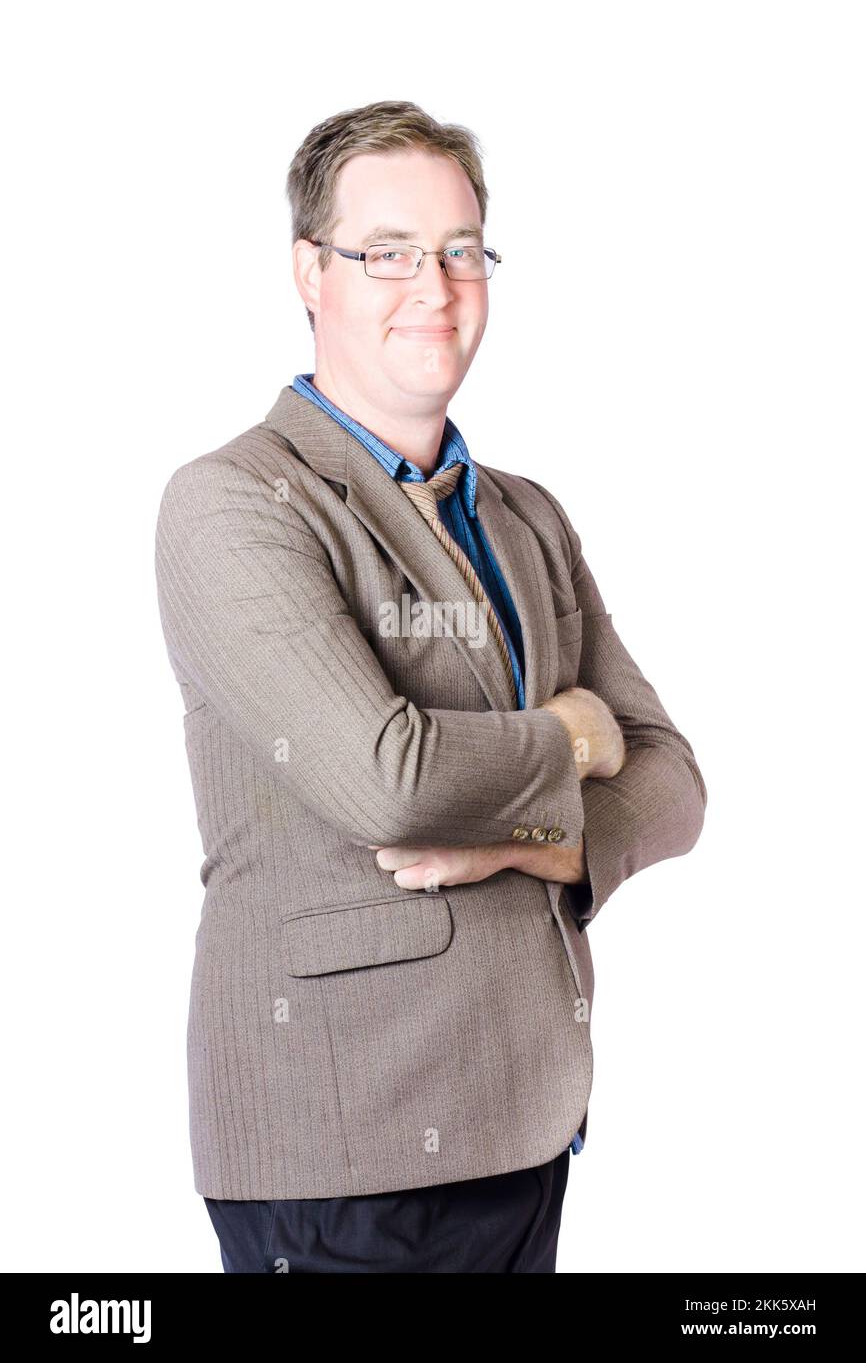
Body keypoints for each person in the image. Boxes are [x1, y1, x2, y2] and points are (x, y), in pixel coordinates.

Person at [154, 99, 707, 1273]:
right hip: (344, 1140)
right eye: (388, 252)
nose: (434, 286)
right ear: (311, 270)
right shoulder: (235, 503)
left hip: (523, 1120)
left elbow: (673, 781)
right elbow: (387, 779)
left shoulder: (523, 512)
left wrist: (541, 845)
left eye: (461, 250)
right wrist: (567, 730)